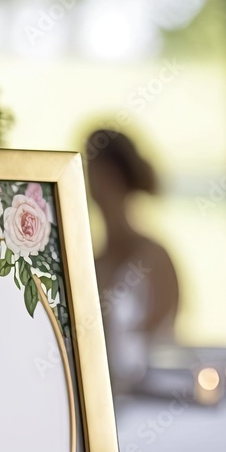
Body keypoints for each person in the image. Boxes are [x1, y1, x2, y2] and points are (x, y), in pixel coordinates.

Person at [84, 129, 180, 390]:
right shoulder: (90, 261)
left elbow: (155, 338)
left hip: (150, 393)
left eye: (99, 172)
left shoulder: (155, 257)